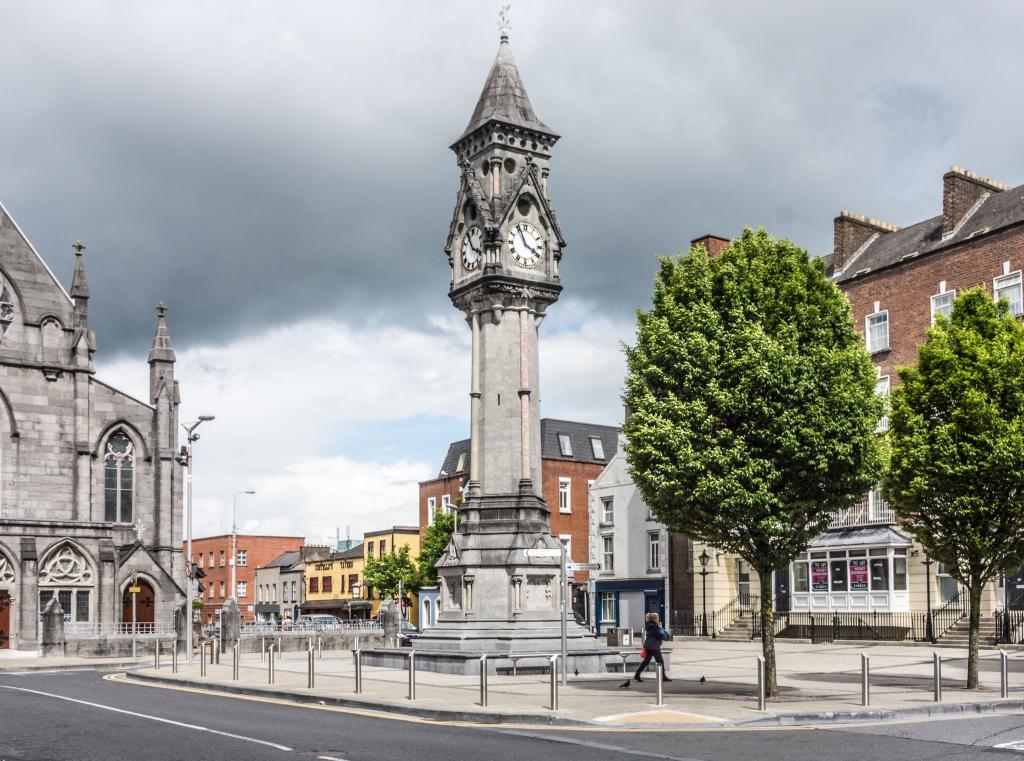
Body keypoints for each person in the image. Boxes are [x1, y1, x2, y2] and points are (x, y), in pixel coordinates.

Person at [630, 612, 671, 684]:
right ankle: (663, 676)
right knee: (660, 661)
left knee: (646, 661)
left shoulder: (650, 625)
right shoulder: (654, 627)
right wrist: (661, 629)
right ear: (655, 619)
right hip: (654, 646)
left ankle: (637, 674)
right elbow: (660, 636)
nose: (658, 619)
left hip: (649, 646)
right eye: (658, 618)